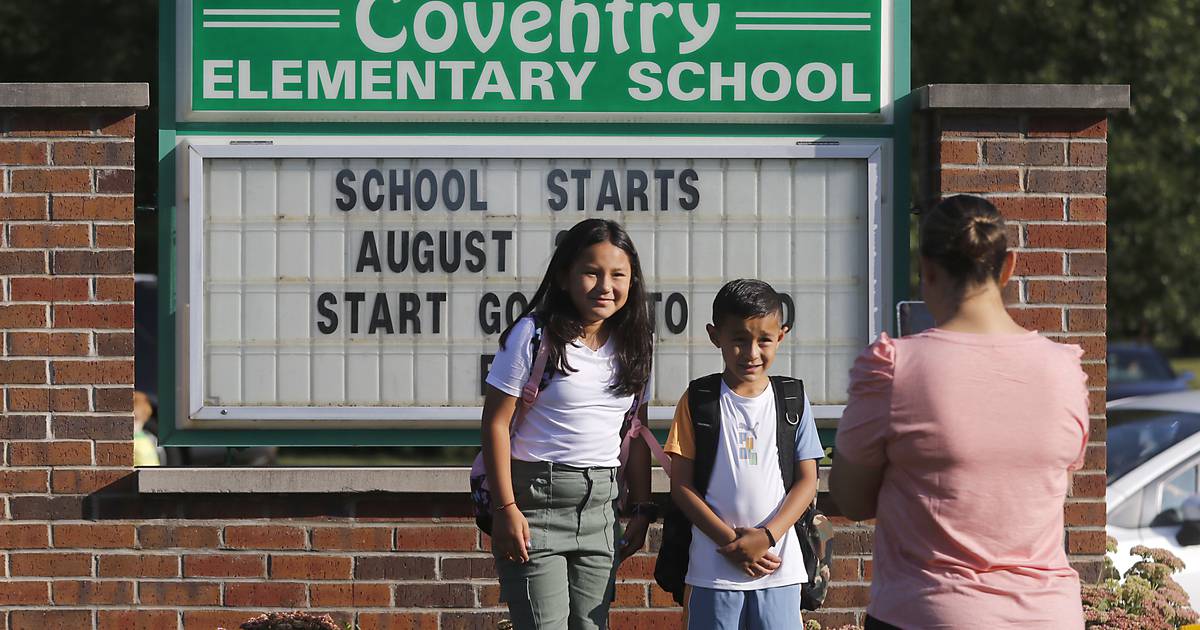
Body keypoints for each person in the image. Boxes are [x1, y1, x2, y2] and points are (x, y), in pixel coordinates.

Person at [830, 195, 1089, 629]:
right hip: (1050, 615)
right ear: (1008, 268)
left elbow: (852, 499)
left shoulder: (893, 367)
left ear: (926, 270)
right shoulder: (1066, 370)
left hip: (928, 613)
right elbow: (1048, 486)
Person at [481, 218, 656, 630]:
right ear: (564, 276)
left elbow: (637, 429)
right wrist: (505, 508)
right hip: (534, 502)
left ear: (632, 281)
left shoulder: (637, 342)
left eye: (618, 275)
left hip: (602, 508)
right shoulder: (532, 335)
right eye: (591, 272)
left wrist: (644, 509)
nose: (605, 286)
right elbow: (494, 424)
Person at [664, 279, 824, 629]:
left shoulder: (792, 400)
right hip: (713, 570)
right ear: (714, 335)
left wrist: (765, 537)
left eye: (764, 340)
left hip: (778, 568)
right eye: (738, 340)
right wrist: (731, 542)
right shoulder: (698, 400)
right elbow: (681, 487)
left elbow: (808, 480)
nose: (752, 353)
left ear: (781, 336)